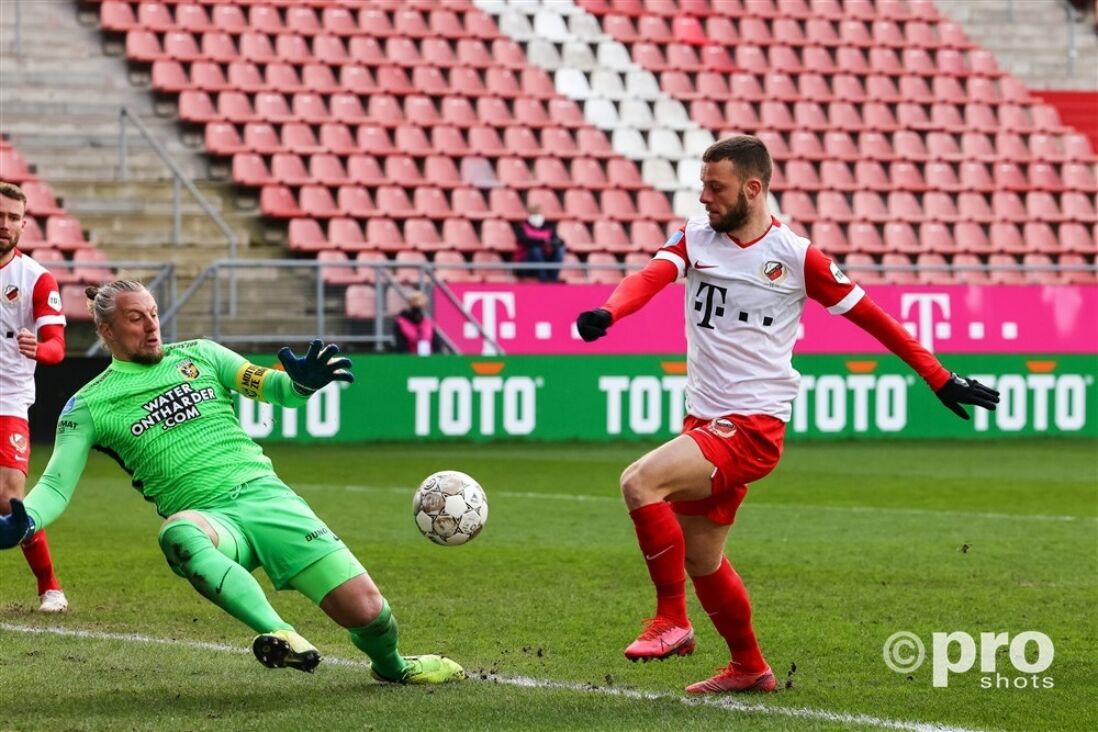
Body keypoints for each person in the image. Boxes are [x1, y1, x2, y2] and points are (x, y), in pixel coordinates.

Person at [575, 136, 1000, 695]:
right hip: (704, 423)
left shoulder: (798, 258)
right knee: (703, 559)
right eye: (702, 185)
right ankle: (750, 667)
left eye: (715, 187)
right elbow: (650, 278)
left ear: (754, 188)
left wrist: (938, 376)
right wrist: (611, 311)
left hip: (752, 428)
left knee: (639, 482)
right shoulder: (695, 236)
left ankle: (671, 622)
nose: (704, 197)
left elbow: (876, 320)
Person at [0, 280, 465, 685]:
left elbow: (270, 386)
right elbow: (57, 485)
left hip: (269, 499)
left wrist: (300, 383)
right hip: (212, 519)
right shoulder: (88, 405)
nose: (151, 326)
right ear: (106, 330)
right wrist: (26, 520)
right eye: (136, 318)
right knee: (178, 534)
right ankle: (280, 632)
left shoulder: (200, 355)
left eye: (154, 314)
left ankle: (393, 666)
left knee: (367, 612)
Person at [0, 181, 69, 613]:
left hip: (7, 398)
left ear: (24, 224)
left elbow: (57, 346)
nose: (3, 225)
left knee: (9, 498)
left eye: (12, 218)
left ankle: (50, 586)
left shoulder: (36, 279)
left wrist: (37, 349)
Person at [513, 204, 565, 282]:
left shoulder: (548, 228)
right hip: (526, 264)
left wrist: (552, 243)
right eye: (535, 214)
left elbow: (560, 241)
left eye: (539, 214)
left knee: (560, 250)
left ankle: (553, 279)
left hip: (546, 260)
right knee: (535, 250)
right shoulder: (522, 228)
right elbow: (525, 241)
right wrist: (543, 242)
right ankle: (543, 279)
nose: (537, 217)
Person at [392, 291, 440, 356]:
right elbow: (401, 346)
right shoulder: (400, 323)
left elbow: (437, 346)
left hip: (428, 360)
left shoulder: (428, 323)